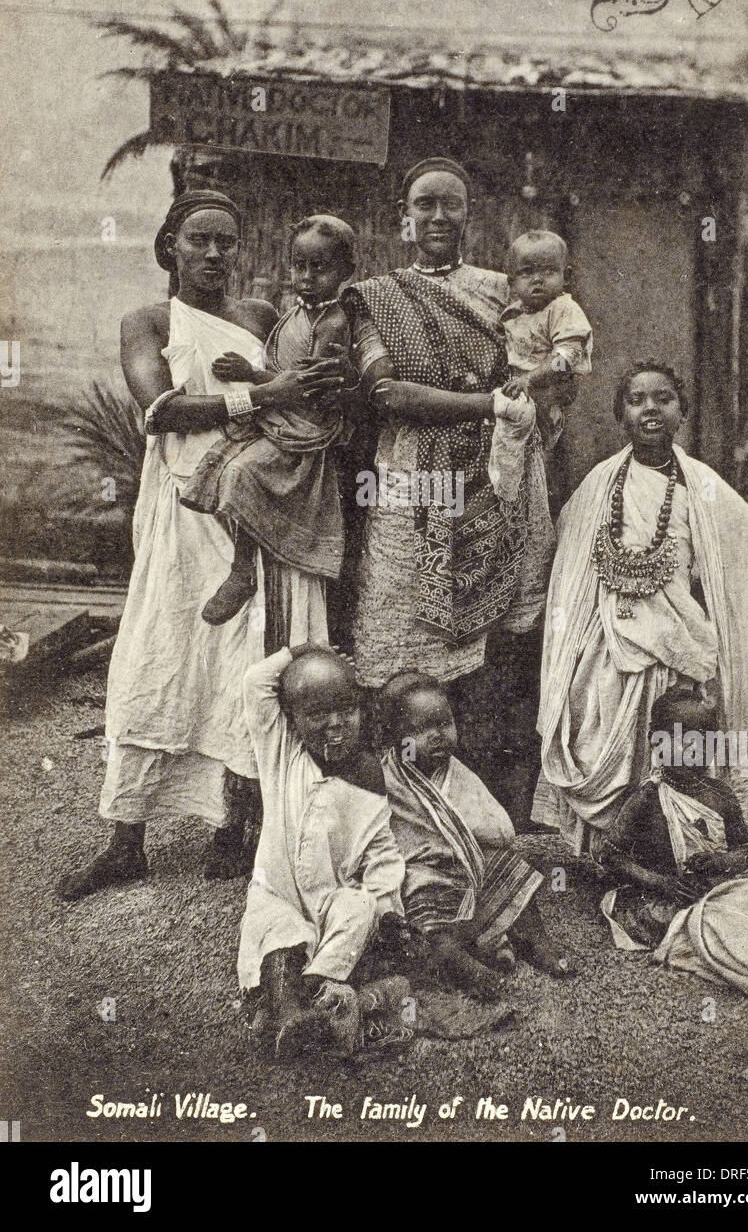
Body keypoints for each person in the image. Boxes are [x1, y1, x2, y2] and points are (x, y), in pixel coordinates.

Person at [57, 191, 345, 901]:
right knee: (161, 654)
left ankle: (236, 828)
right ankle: (127, 840)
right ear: (170, 247)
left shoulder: (260, 318)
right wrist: (260, 399)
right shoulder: (148, 322)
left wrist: (294, 397)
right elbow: (161, 410)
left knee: (251, 659)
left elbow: (306, 385)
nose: (214, 255)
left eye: (226, 242)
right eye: (198, 241)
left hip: (263, 500)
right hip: (185, 507)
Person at [347, 157, 568, 698]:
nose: (439, 216)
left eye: (452, 204)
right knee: (398, 607)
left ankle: (492, 770)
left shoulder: (509, 292)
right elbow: (388, 393)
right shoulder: (377, 296)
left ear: (470, 214)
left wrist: (532, 407)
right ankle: (406, 755)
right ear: (406, 216)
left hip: (502, 473)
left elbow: (561, 374)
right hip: (412, 476)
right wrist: (492, 403)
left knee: (508, 635)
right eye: (426, 204)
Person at [533, 361, 748, 857]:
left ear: (682, 411)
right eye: (637, 400)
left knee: (674, 735)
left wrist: (704, 577)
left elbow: (741, 529)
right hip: (609, 635)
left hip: (674, 637)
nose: (651, 408)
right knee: (596, 722)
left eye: (664, 398)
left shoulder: (700, 485)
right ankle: (606, 851)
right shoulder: (601, 482)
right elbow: (572, 551)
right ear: (621, 414)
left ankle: (665, 849)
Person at [180, 214, 357, 626]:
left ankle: (243, 572)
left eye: (320, 268)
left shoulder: (333, 323)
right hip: (281, 416)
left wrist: (252, 376)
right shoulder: (295, 315)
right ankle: (241, 565)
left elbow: (309, 387)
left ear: (344, 272)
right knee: (221, 463)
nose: (306, 277)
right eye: (299, 266)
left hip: (305, 426)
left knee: (242, 472)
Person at [595, 688, 748, 1011]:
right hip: (661, 902)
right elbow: (610, 854)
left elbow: (745, 852)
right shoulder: (647, 798)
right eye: (684, 744)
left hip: (714, 890)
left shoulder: (720, 795)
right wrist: (664, 884)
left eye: (705, 744)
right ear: (656, 743)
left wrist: (718, 862)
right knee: (718, 927)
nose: (695, 755)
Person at [238, 644, 413, 1058]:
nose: (335, 725)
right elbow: (254, 683)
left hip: (333, 894)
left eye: (347, 711)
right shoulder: (282, 753)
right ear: (293, 722)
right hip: (277, 890)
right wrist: (304, 650)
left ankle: (316, 998)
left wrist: (389, 911)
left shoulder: (369, 774)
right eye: (317, 715)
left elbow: (381, 850)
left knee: (359, 908)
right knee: (275, 929)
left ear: (361, 710)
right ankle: (287, 1009)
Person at [379, 671, 574, 999]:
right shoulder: (388, 781)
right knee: (420, 907)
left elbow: (499, 828)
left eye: (444, 723)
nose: (437, 735)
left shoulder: (455, 772)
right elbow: (385, 838)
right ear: (393, 736)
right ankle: (460, 963)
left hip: (468, 867)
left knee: (511, 868)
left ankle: (534, 940)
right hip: (419, 875)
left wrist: (472, 845)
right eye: (419, 729)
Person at [500, 229, 592, 451]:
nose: (538, 279)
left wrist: (530, 379)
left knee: (536, 457)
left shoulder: (563, 309)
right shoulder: (514, 313)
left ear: (566, 276)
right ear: (512, 282)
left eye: (549, 271)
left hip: (546, 395)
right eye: (527, 272)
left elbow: (567, 357)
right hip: (518, 398)